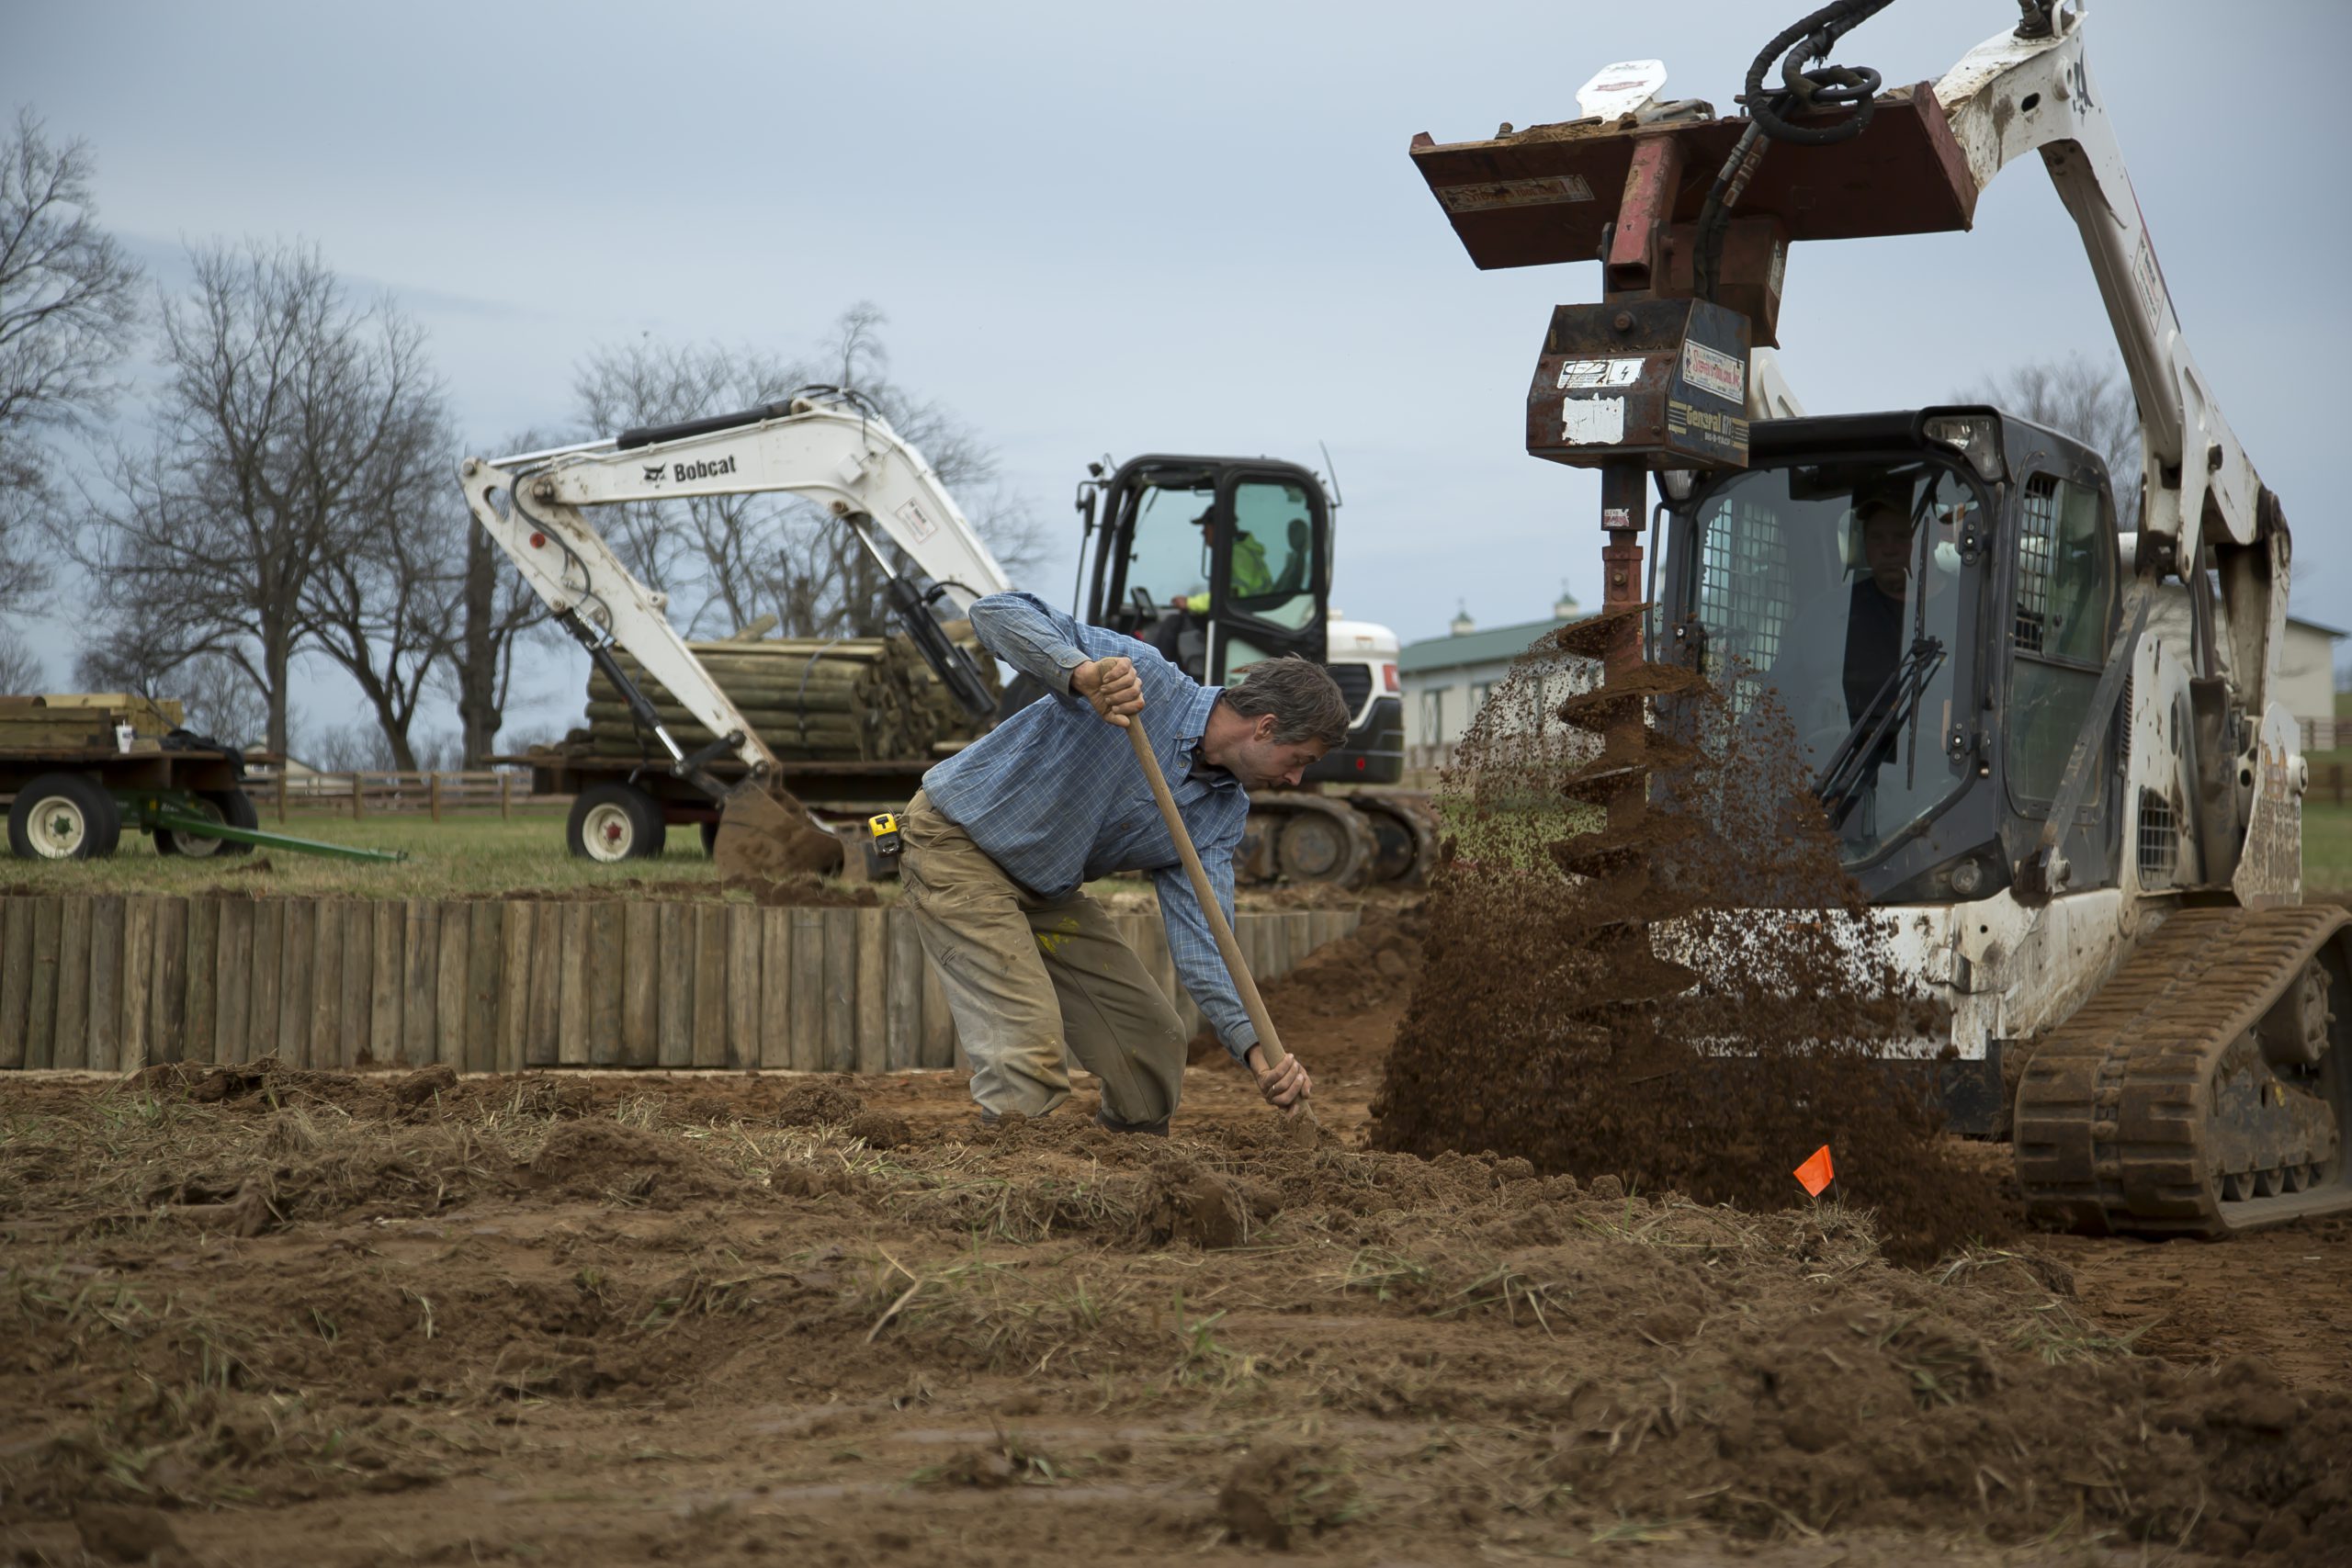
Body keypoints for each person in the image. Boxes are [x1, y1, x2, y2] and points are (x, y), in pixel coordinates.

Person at [899, 590, 1350, 1133]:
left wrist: (1257, 1052)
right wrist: (1081, 674)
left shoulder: (1219, 812)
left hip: (1046, 890)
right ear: (1267, 727)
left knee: (1152, 1047)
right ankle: (1002, 1194)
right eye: (1299, 761)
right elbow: (993, 613)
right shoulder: (1145, 681)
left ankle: (1127, 1178)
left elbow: (1209, 942)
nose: (1296, 779)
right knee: (1026, 1053)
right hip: (956, 846)